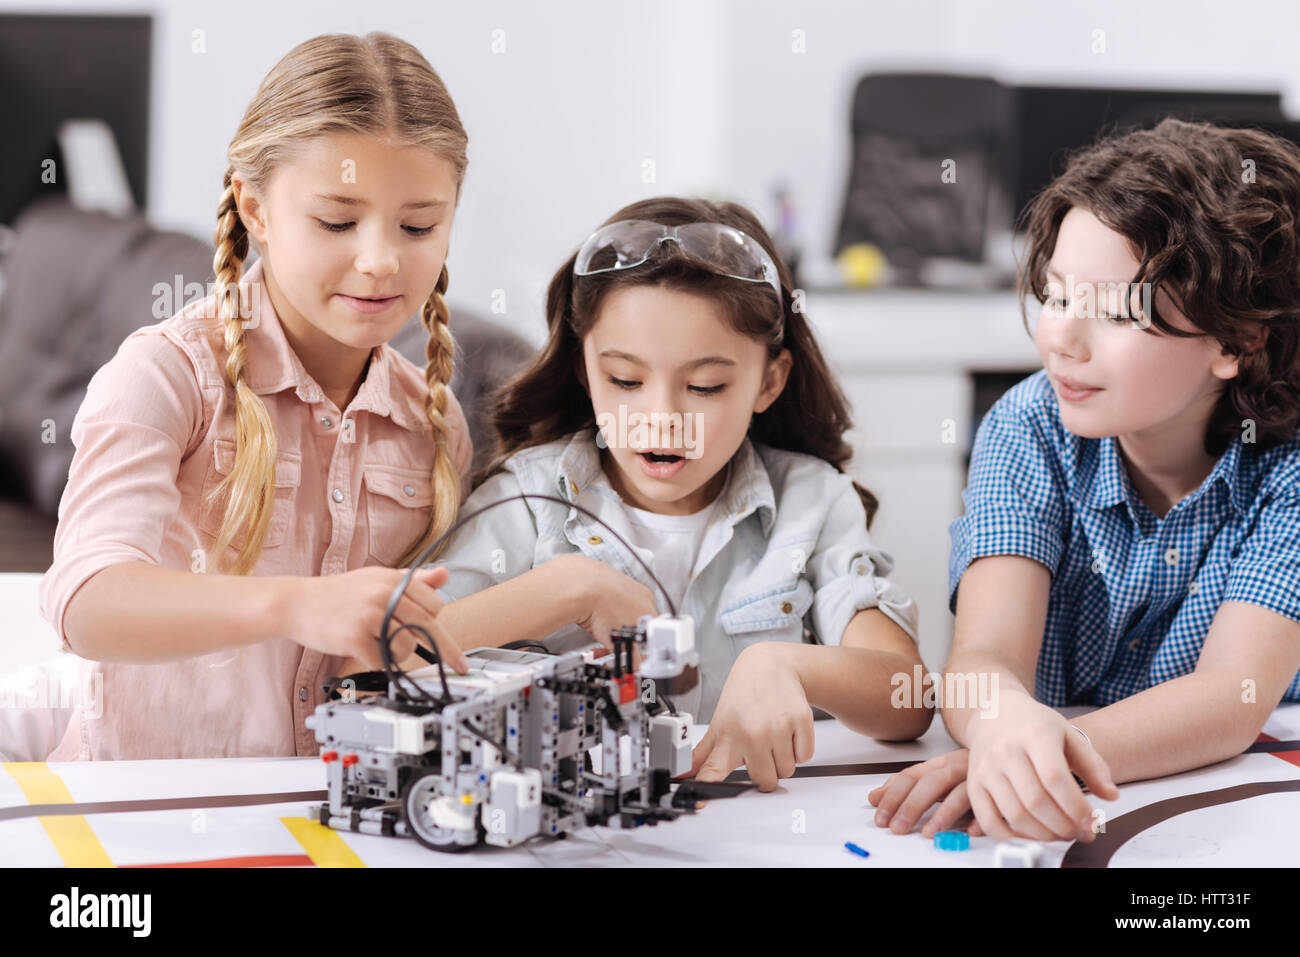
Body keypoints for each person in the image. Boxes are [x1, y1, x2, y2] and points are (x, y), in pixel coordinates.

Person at [38, 32, 474, 760]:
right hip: (144, 822)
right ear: (255, 209)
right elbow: (88, 603)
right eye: (337, 220)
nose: (380, 260)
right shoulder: (166, 377)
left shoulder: (433, 424)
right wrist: (295, 606)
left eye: (419, 225)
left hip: (325, 825)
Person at [403, 196, 931, 791]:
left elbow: (908, 699)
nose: (661, 418)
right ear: (583, 367)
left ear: (769, 381)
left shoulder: (811, 502)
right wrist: (565, 588)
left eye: (705, 386)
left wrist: (786, 663)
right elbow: (390, 658)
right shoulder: (527, 500)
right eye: (625, 380)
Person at [869, 118, 1300, 843]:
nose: (1061, 337)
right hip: (1077, 801)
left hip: (1238, 808)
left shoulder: (1285, 470)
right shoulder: (1028, 426)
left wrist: (1045, 757)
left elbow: (1234, 694)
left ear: (1236, 339)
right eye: (1058, 295)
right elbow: (985, 658)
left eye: (1111, 311)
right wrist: (1004, 730)